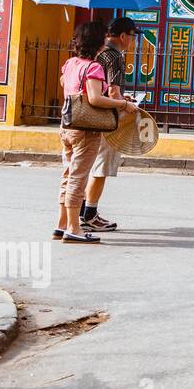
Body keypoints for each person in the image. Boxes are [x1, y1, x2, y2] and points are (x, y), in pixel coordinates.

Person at [56, 21, 137, 244]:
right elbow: (94, 98)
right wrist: (122, 105)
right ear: (98, 42)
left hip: (67, 124)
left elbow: (66, 83)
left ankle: (61, 224)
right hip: (85, 129)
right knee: (78, 178)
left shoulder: (71, 63)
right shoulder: (94, 66)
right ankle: (74, 228)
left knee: (67, 175)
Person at [82, 16, 140, 233]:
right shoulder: (115, 56)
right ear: (123, 36)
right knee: (101, 167)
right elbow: (114, 91)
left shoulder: (93, 53)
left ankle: (80, 211)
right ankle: (90, 213)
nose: (132, 41)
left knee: (84, 166)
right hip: (106, 118)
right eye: (132, 36)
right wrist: (125, 104)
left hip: (85, 117)